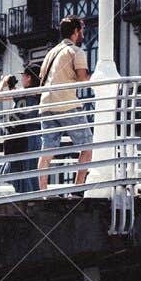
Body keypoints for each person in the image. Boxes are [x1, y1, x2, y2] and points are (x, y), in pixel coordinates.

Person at [37, 17, 93, 188]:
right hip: (67, 103)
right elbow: (83, 79)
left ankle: (43, 192)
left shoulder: (50, 53)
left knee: (47, 150)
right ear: (76, 31)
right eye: (81, 30)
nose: (82, 33)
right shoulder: (76, 51)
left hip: (46, 104)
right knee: (88, 146)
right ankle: (77, 189)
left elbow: (41, 79)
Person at [0, 67, 41, 195]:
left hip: (23, 138)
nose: (21, 78)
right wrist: (11, 88)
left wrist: (4, 82)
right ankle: (32, 201)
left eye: (23, 76)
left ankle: (28, 201)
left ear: (28, 77)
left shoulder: (24, 93)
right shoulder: (37, 93)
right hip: (34, 137)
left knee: (23, 173)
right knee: (30, 173)